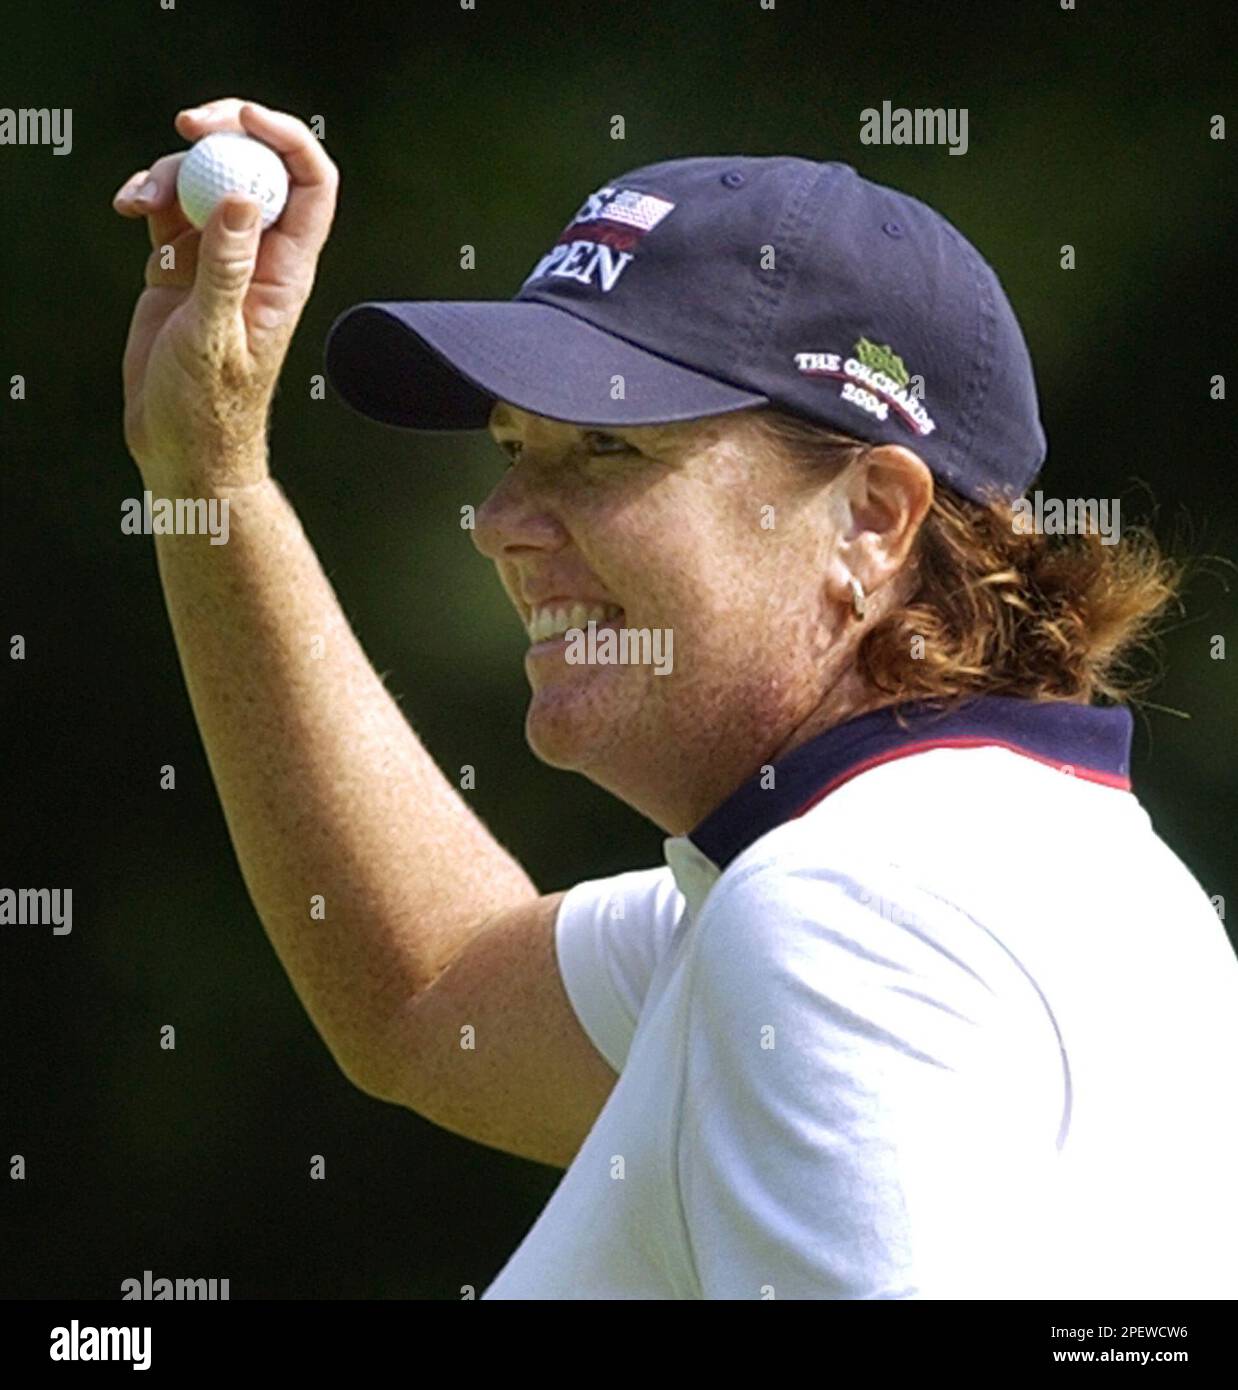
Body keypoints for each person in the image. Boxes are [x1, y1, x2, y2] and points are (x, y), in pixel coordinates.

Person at [113, 97, 1238, 1300]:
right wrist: (207, 472)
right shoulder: (995, 860)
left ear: (871, 519)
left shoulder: (835, 918)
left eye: (605, 450)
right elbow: (434, 993)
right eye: (510, 446)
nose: (498, 523)